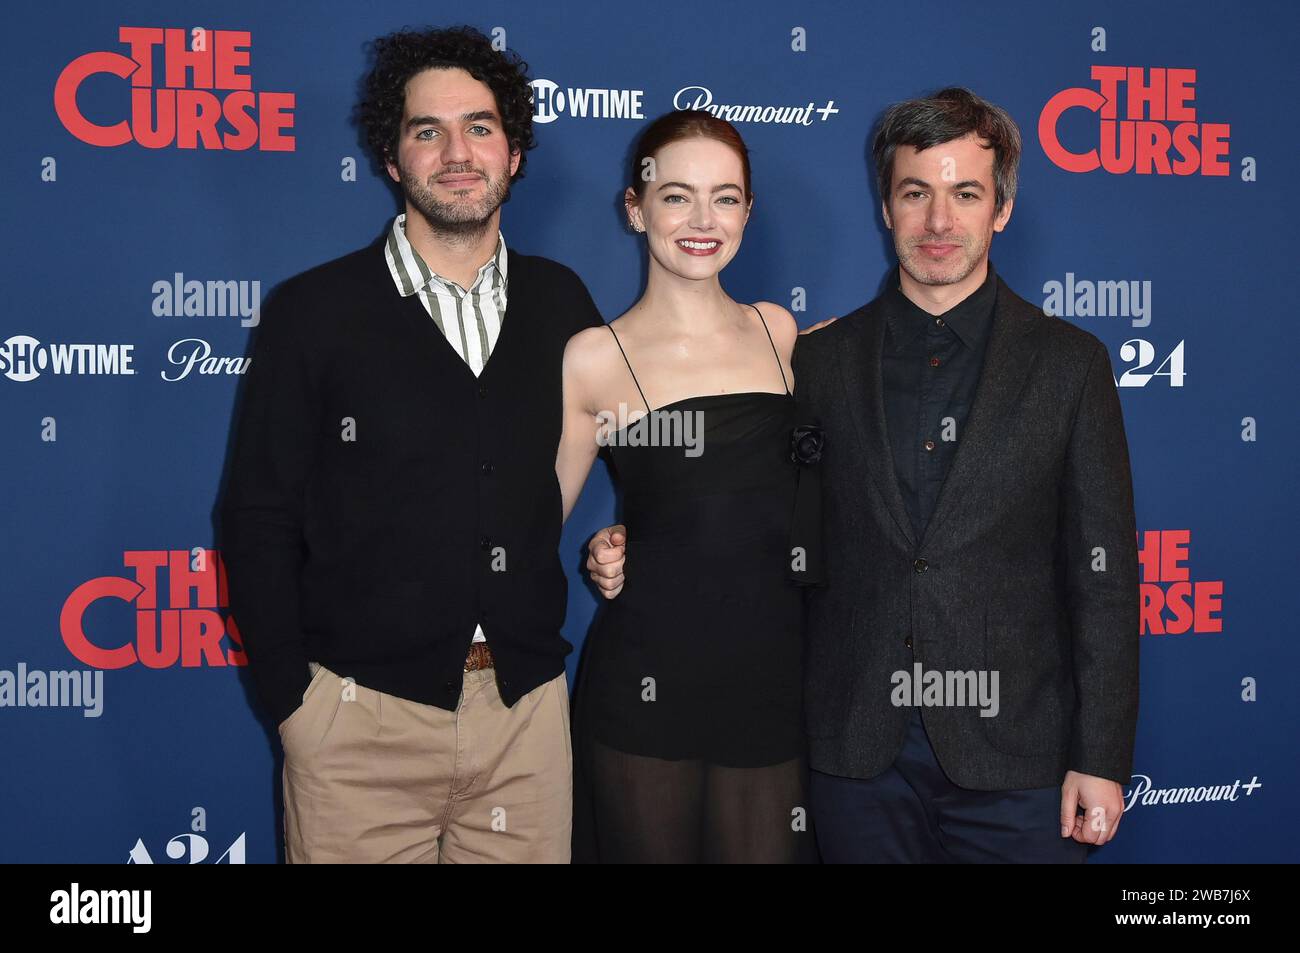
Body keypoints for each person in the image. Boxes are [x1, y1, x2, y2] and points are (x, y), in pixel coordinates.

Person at [589, 88, 1140, 863]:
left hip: (1019, 763)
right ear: (886, 207)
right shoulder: (815, 361)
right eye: (916, 192)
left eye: (966, 194)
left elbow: (1106, 578)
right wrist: (632, 539)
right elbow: (739, 500)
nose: (939, 221)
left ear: (1002, 208)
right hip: (853, 759)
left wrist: (1103, 755)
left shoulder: (1069, 364)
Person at [220, 26, 603, 863]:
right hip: (357, 725)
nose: (457, 152)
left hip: (524, 723)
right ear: (392, 158)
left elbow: (634, 445)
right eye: (427, 131)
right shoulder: (313, 311)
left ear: (515, 153)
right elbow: (256, 516)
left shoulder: (562, 301)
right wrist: (298, 707)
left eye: (480, 127)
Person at [556, 110, 819, 863]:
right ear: (635, 209)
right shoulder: (593, 358)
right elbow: (529, 521)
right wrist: (601, 549)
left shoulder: (780, 330)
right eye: (676, 196)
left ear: (747, 212)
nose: (703, 220)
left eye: (725, 197)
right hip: (646, 679)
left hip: (772, 678)